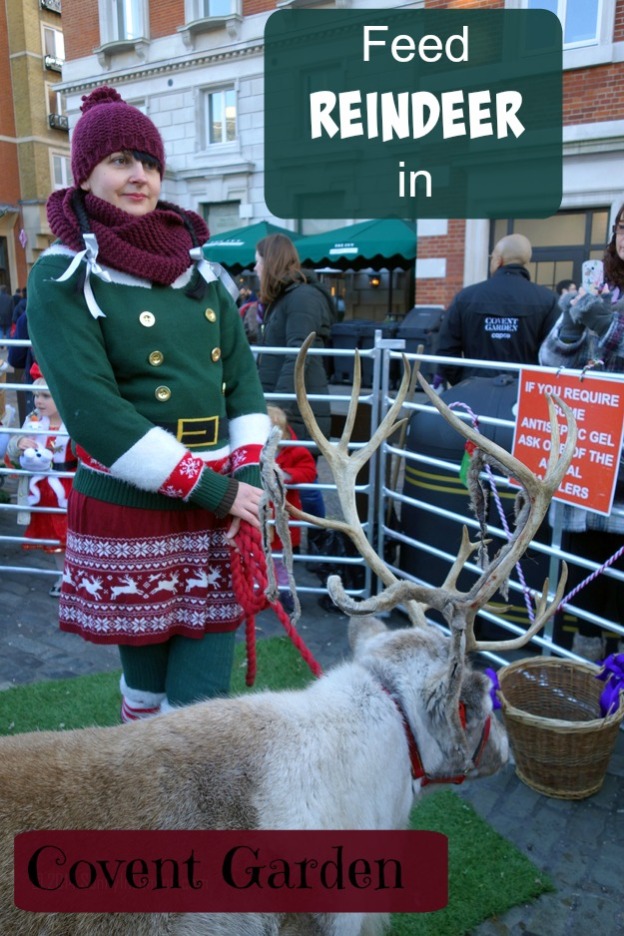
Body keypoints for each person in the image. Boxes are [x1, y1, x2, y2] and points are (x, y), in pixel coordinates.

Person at [26, 86, 270, 720]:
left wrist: (243, 477)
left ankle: (194, 811)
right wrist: (217, 490)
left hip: (219, 499)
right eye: (121, 161)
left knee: (203, 701)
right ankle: (150, 803)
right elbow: (94, 415)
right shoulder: (62, 274)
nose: (140, 176)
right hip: (134, 506)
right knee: (147, 689)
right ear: (85, 173)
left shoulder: (206, 272)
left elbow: (242, 384)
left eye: (151, 162)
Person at [539, 204, 624, 660]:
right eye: (623, 225)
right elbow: (550, 363)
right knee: (586, 586)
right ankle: (585, 690)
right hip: (590, 466)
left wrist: (611, 327)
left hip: (623, 476)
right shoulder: (601, 287)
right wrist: (571, 324)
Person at [255, 233, 334, 525]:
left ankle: (324, 541)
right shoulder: (288, 298)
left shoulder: (302, 297)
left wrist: (277, 408)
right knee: (288, 478)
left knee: (304, 481)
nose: (255, 269)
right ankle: (305, 543)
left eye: (258, 262)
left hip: (296, 409)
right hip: (289, 406)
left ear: (270, 261)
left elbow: (299, 355)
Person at [436, 233, 560, 386]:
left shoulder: (465, 297)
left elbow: (446, 350)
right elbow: (555, 356)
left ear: (498, 260)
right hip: (524, 393)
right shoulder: (549, 300)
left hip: (474, 390)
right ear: (527, 262)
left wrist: (464, 380)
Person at [5, 364, 75, 597]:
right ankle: (61, 578)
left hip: (69, 489)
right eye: (36, 395)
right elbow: (13, 449)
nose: (38, 401)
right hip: (42, 493)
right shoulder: (32, 421)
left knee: (73, 537)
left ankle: (76, 578)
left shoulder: (74, 424)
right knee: (54, 541)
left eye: (45, 396)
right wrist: (20, 443)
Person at [266, 405, 318, 613]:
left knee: (280, 558)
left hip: (282, 513)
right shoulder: (253, 449)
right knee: (256, 555)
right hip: (257, 512)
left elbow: (308, 472)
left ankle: (285, 591)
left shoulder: (295, 449)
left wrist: (286, 476)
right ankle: (259, 590)